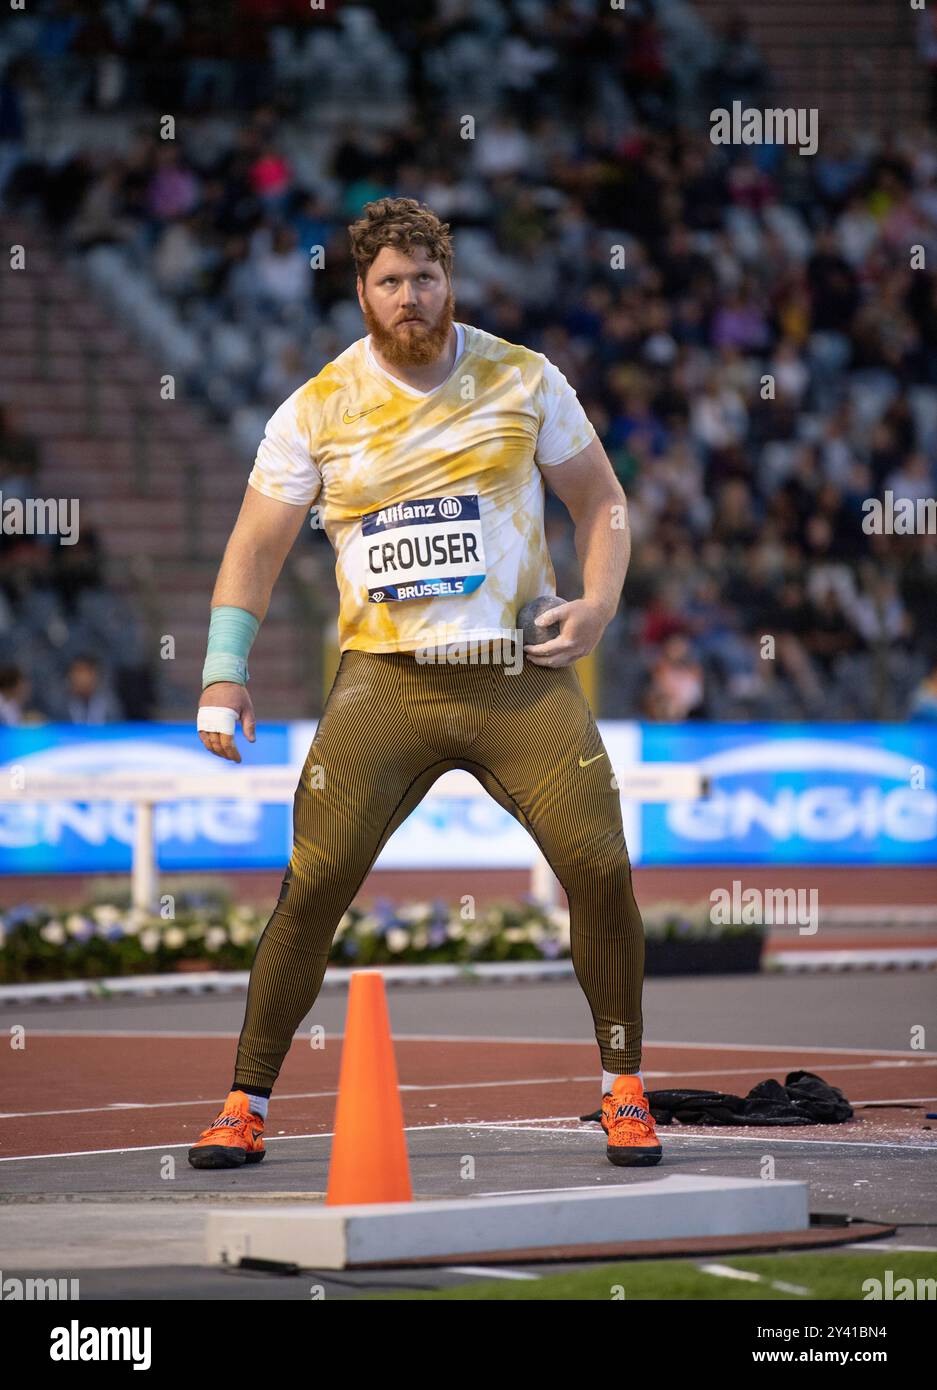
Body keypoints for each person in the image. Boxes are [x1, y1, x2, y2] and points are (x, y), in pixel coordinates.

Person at [189, 197, 661, 1171]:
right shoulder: (315, 409)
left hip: (512, 675)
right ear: (361, 293)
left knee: (602, 867)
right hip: (384, 684)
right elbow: (255, 547)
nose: (411, 296)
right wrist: (223, 672)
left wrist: (599, 602)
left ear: (450, 281)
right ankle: (244, 1101)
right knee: (312, 882)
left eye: (426, 277)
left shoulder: (523, 378)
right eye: (391, 282)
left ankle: (623, 1086)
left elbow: (601, 500)